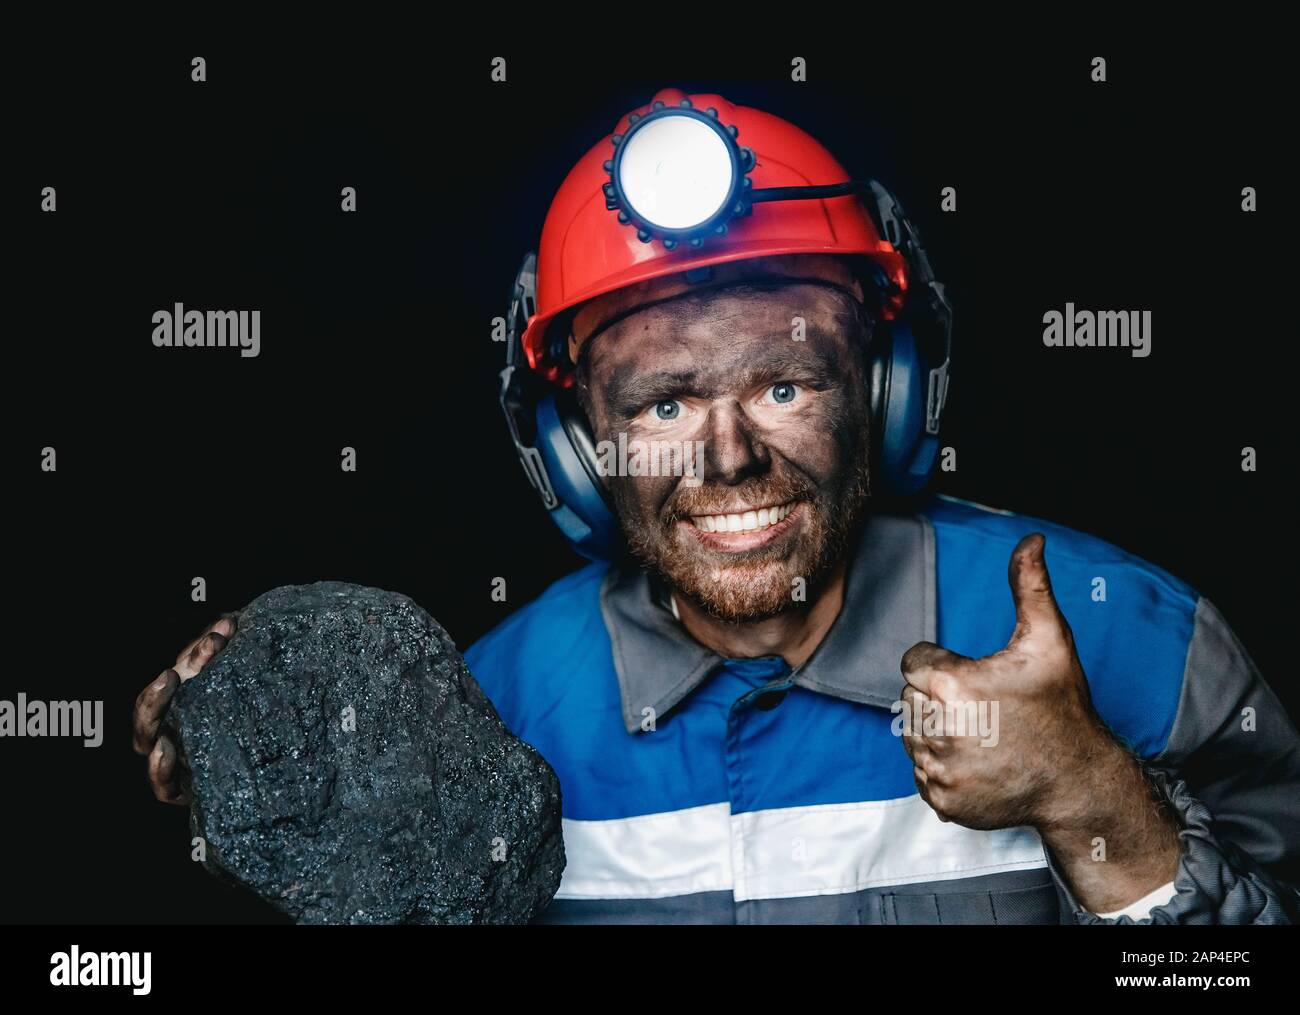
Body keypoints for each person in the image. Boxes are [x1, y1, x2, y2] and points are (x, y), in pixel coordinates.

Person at [134, 88, 1300, 925]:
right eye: (660, 405)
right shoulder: (483, 711)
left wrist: (1091, 799)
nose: (728, 456)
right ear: (573, 446)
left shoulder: (1124, 639)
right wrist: (271, 757)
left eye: (784, 384)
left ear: (886, 397)